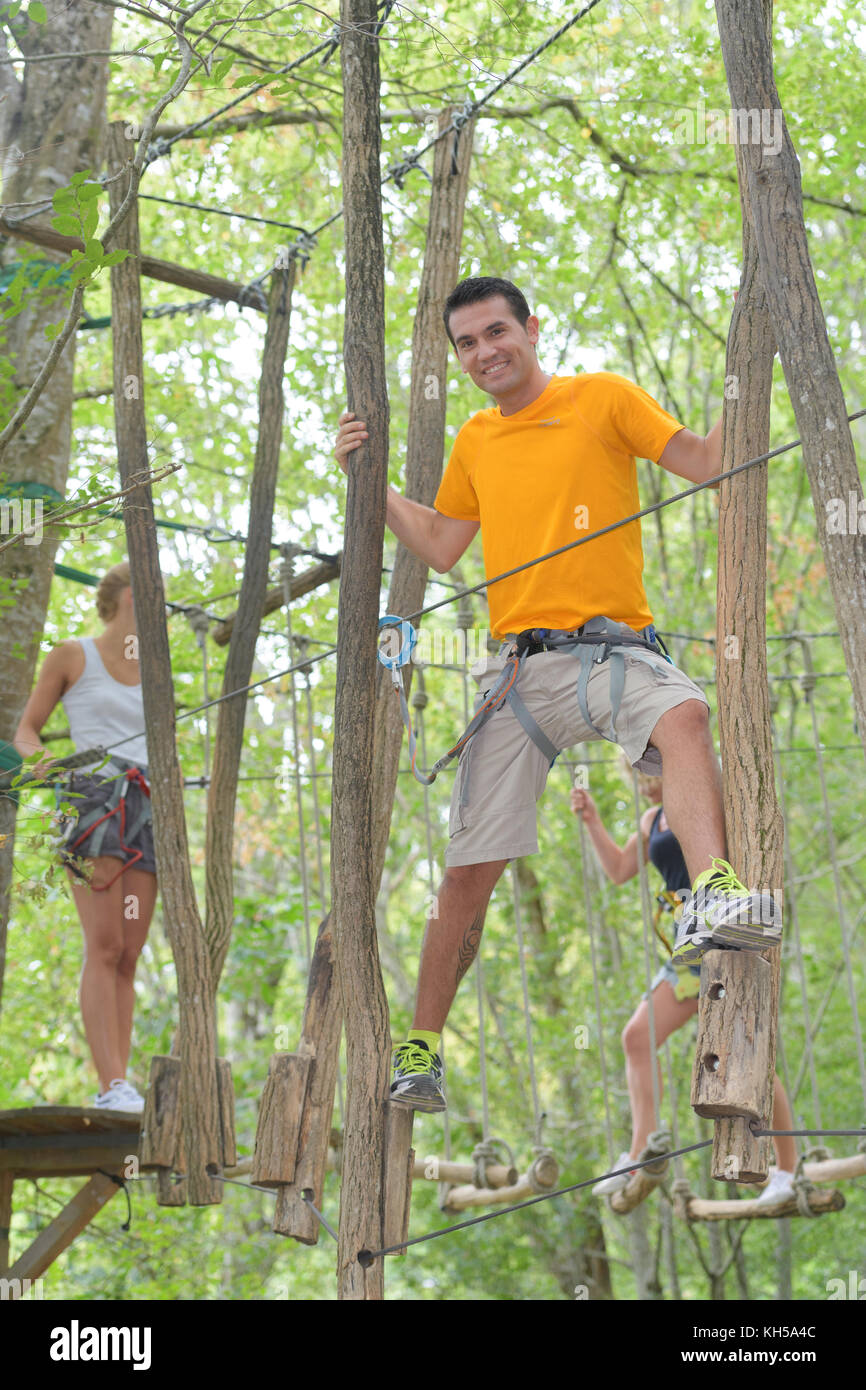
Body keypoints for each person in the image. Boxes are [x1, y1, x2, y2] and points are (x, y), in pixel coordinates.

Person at [333, 274, 781, 1114]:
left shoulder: (601, 398)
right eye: (466, 344)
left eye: (496, 333)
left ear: (532, 330)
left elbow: (709, 462)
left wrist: (747, 371)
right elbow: (438, 545)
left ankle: (713, 893)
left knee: (684, 713)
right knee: (470, 871)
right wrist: (372, 480)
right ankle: (421, 1051)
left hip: (613, 650)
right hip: (517, 669)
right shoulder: (474, 440)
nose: (484, 354)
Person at [572, 768, 796, 1204]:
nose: (644, 779)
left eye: (648, 768)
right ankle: (640, 1150)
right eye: (637, 771)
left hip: (726, 944)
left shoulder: (706, 796)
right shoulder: (651, 818)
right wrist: (592, 821)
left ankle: (787, 1170)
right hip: (684, 952)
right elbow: (620, 869)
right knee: (637, 1038)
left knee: (750, 1054)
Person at [14, 561, 154, 1113]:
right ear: (126, 597)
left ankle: (125, 1085)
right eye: (153, 595)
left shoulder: (156, 671)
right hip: (91, 797)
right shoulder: (75, 655)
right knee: (105, 944)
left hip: (144, 802)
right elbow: (26, 731)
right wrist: (50, 767)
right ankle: (110, 1085)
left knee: (132, 953)